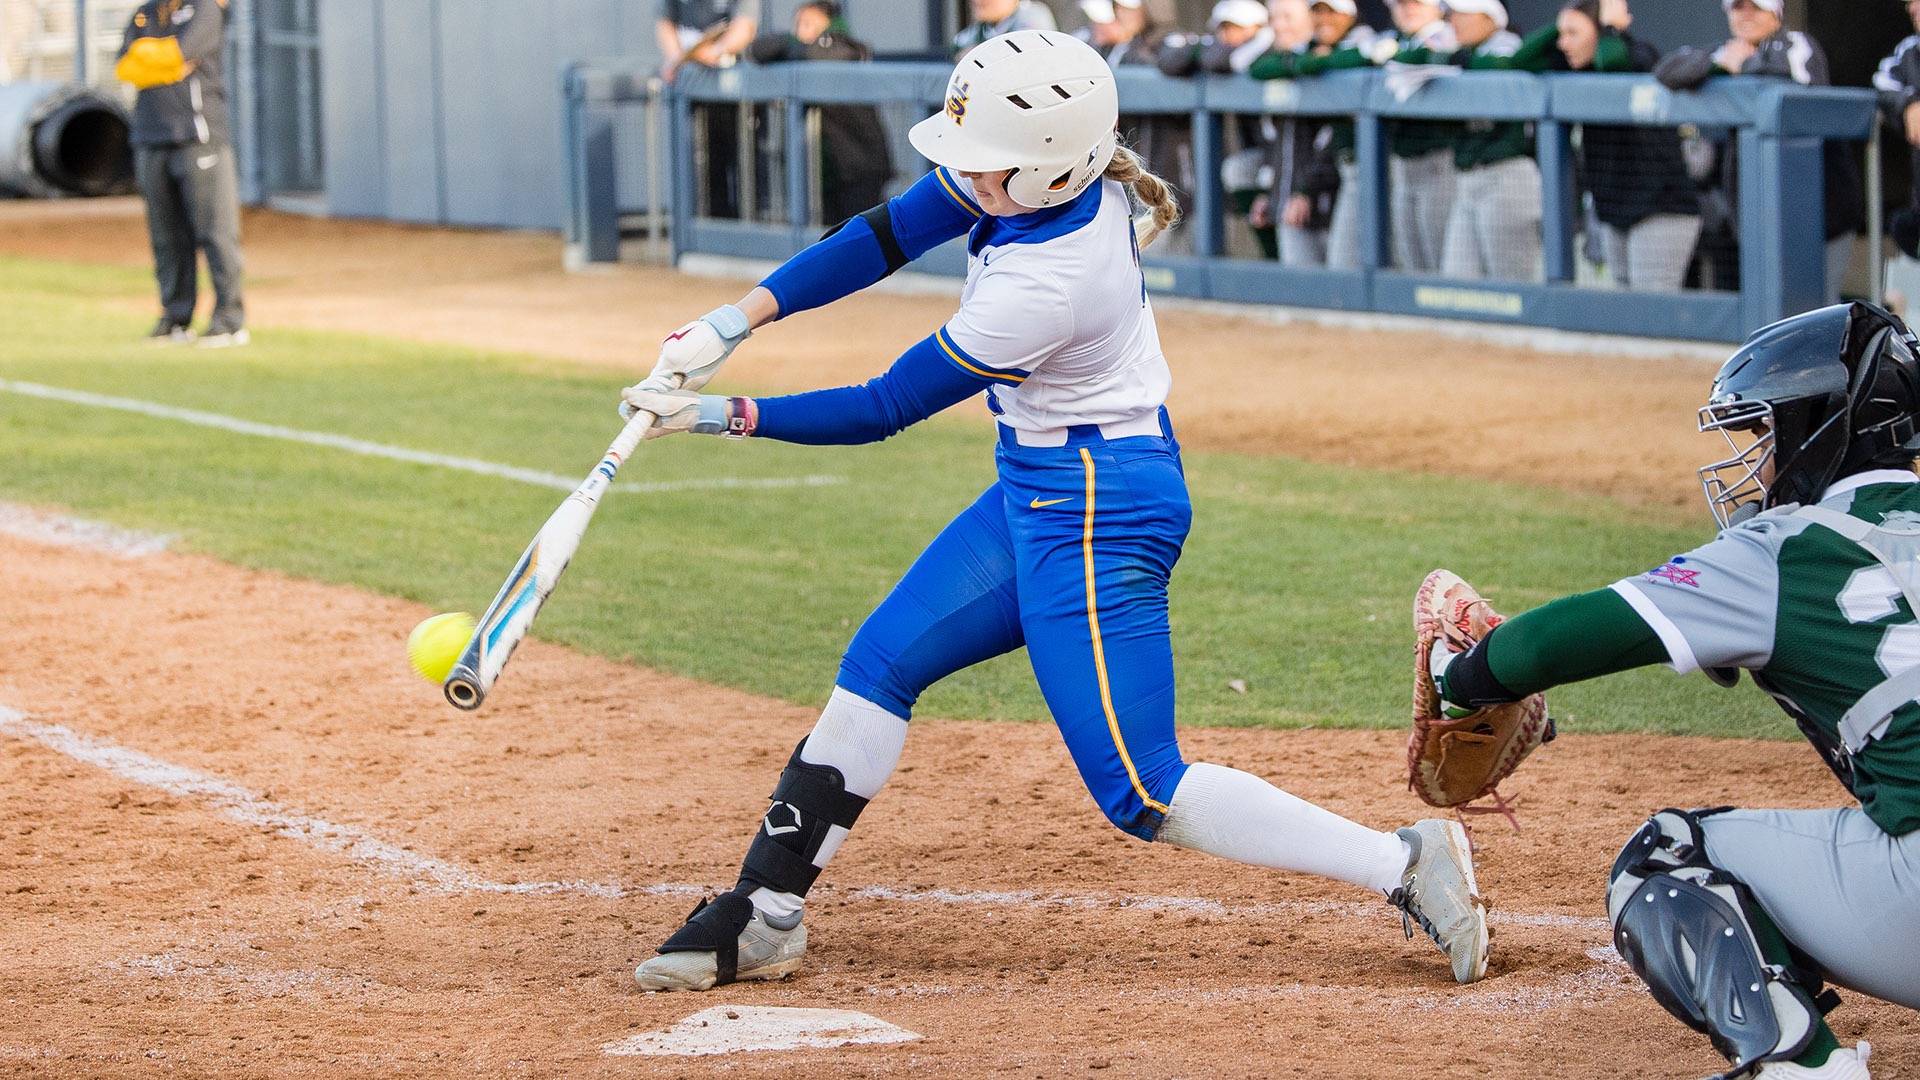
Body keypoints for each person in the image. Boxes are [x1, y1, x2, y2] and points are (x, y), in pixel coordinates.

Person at [616, 29, 1491, 994]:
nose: (963, 176)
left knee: (1141, 786)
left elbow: (882, 406)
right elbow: (884, 234)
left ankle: (1401, 861)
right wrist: (733, 320)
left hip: (1099, 508)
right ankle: (768, 910)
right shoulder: (1038, 179)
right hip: (1041, 487)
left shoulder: (1048, 280)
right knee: (880, 665)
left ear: (1044, 169)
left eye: (982, 163)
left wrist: (719, 414)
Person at [1419, 300, 1920, 1080]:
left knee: (1662, 859)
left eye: (1766, 436)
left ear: (1824, 427)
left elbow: (1552, 642)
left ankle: (1801, 1068)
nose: (1758, 464)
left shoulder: (1787, 552)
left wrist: (1460, 678)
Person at [1654, 0, 1865, 305]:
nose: (1746, 15)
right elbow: (1666, 70)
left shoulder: (1796, 44)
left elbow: (1801, 85)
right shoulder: (1726, 52)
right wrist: (1717, 63)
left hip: (1820, 212)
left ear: (1775, 13)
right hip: (1759, 216)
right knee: (1766, 307)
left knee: (1816, 308)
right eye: (1738, 8)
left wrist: (1744, 66)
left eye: (1755, 7)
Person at [113, 0, 246, 348]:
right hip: (150, 138)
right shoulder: (144, 13)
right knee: (166, 236)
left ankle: (229, 321)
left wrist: (153, 57)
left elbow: (181, 52)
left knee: (215, 232)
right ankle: (175, 319)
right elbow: (125, 67)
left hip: (198, 136)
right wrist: (165, 63)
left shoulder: (204, 7)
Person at [1554, 0, 1700, 293]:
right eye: (1561, 33)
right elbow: (1523, 59)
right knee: (1625, 309)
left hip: (1661, 210)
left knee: (1651, 309)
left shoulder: (1639, 54)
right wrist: (1570, 20)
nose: (1563, 43)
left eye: (1573, 33)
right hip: (1614, 213)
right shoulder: (1579, 70)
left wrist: (1610, 28)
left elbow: (1612, 62)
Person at [1245, 0, 1378, 269]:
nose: (1324, 19)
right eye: (1318, 11)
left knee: (1344, 272)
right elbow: (1257, 68)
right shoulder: (1303, 50)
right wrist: (1304, 62)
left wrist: (1319, 62)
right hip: (1300, 192)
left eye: (1332, 12)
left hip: (1347, 179)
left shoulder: (1361, 41)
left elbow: (1330, 139)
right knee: (1301, 277)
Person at [746, 1, 893, 225]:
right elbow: (759, 50)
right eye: (799, 24)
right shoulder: (797, 49)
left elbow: (825, 54)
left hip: (862, 164)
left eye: (809, 23)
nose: (801, 30)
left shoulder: (846, 46)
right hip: (829, 168)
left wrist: (794, 46)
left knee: (862, 231)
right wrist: (792, 42)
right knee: (829, 231)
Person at [1246, 0, 1339, 265]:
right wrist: (1269, 191)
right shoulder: (1275, 62)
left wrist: (1306, 190)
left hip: (1328, 201)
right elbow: (1274, 144)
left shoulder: (1328, 58)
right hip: (1290, 202)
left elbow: (1333, 141)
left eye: (1287, 17)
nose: (1278, 26)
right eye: (1273, 18)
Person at [658, 0, 758, 220]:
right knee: (706, 174)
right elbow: (665, 23)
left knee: (747, 169)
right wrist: (680, 58)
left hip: (738, 96)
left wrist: (716, 50)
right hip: (695, 97)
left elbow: (745, 25)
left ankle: (747, 226)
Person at [1874, 0, 1920, 262]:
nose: (1912, 8)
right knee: (1904, 227)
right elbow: (1883, 82)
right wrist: (1909, 103)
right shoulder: (1910, 50)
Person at [953, 0, 1058, 57]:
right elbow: (959, 47)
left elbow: (1024, 53)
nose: (978, 1)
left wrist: (980, 56)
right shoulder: (982, 27)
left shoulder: (1032, 14)